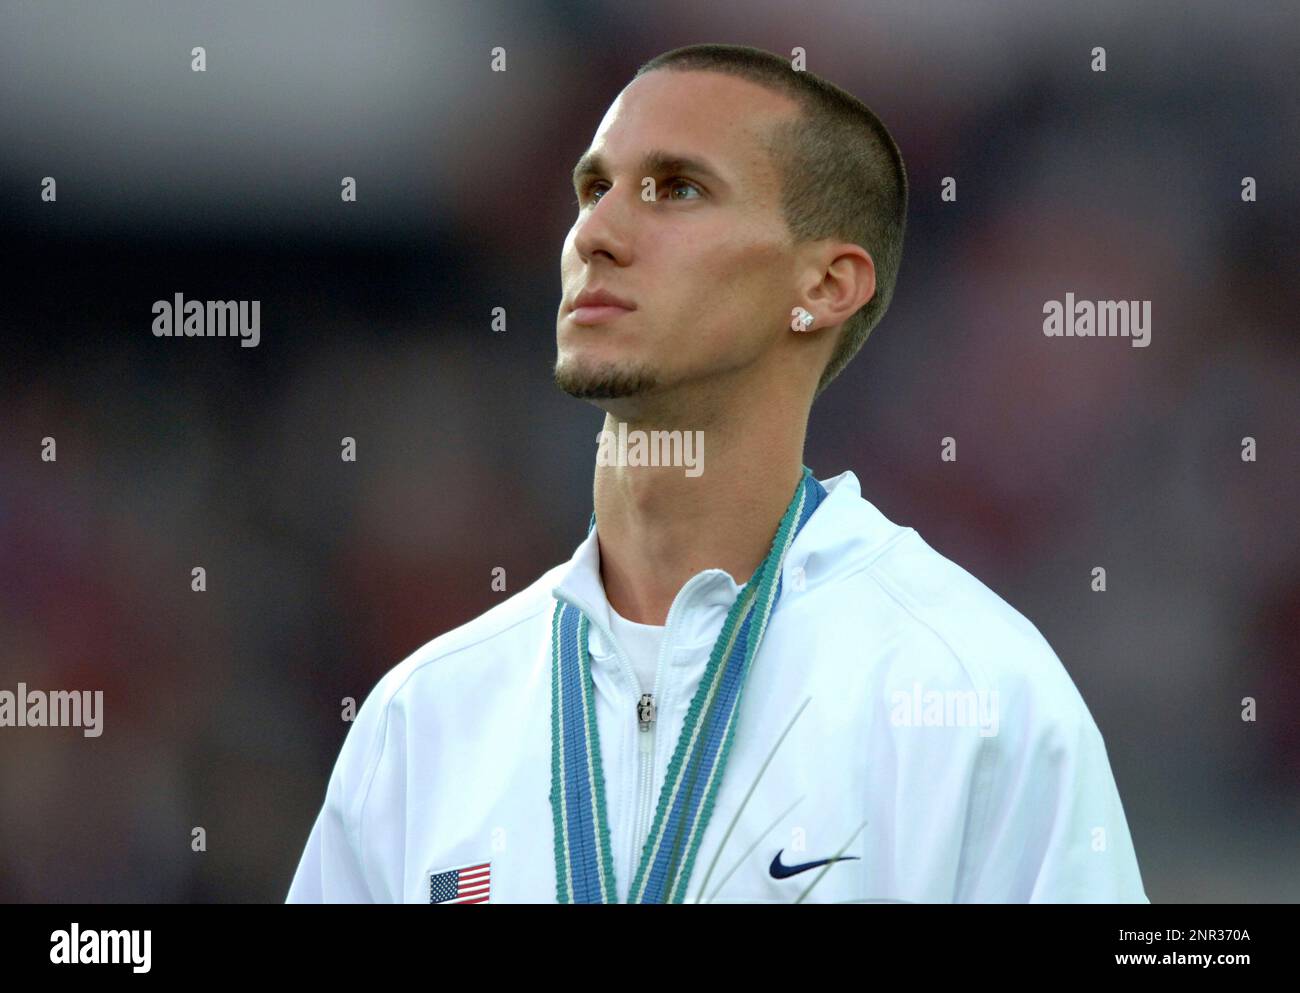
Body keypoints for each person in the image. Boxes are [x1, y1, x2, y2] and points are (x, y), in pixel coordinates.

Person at [286, 43, 1147, 904]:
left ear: (826, 282)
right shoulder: (423, 717)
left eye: (677, 189)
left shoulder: (973, 694)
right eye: (594, 189)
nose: (597, 233)